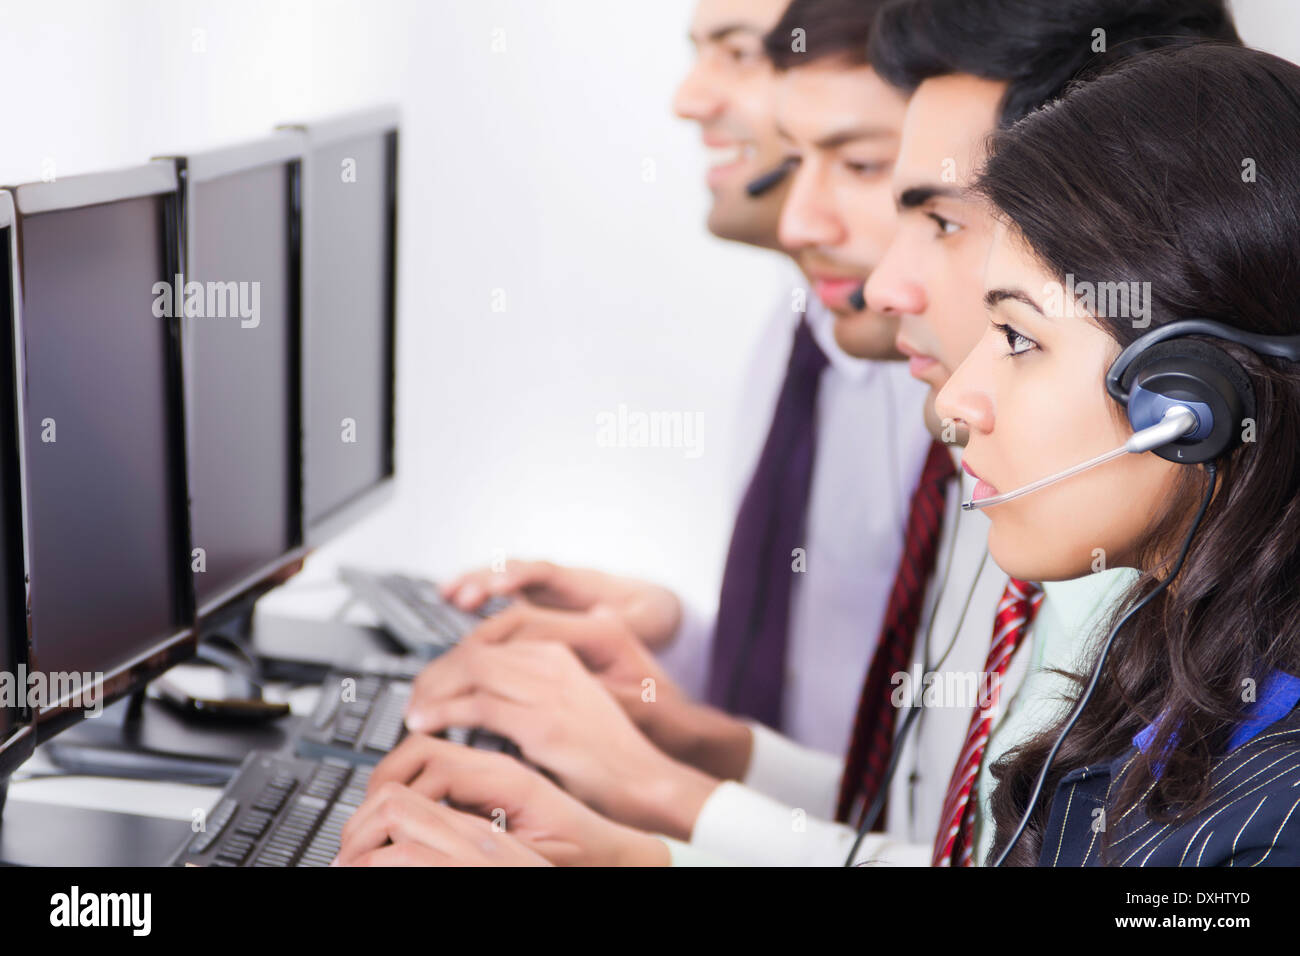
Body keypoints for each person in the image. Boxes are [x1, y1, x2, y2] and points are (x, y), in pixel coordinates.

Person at [334, 0, 1243, 868]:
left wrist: (654, 816)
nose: (879, 275)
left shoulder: (1119, 550)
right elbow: (937, 811)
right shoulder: (1005, 457)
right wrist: (692, 756)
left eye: (930, 214)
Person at [939, 41, 1300, 867]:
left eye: (1018, 338)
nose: (956, 400)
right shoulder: (1162, 657)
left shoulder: (1272, 834)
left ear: (1192, 401)